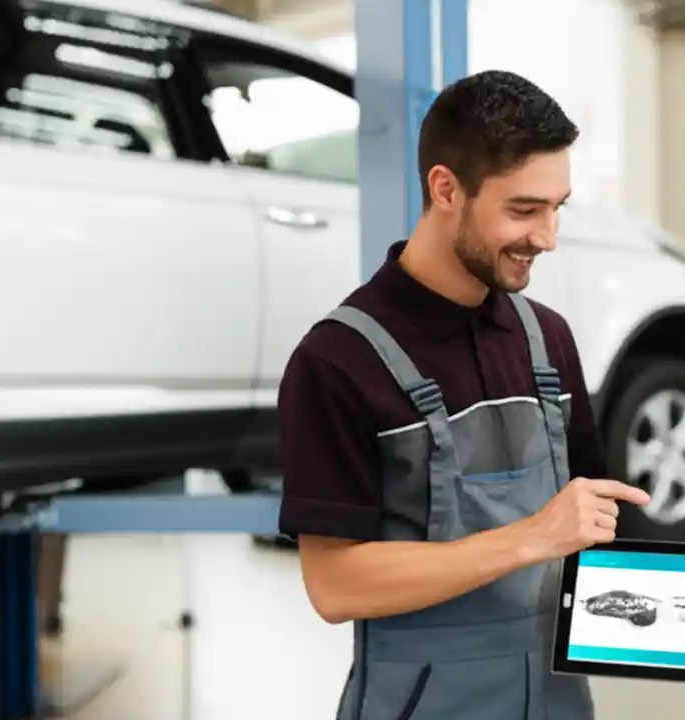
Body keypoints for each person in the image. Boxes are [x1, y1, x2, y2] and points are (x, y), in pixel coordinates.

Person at [277, 70, 650, 720]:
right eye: (524, 210)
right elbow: (333, 585)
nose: (548, 236)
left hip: (559, 703)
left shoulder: (549, 341)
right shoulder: (339, 361)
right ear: (445, 188)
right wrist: (530, 538)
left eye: (557, 206)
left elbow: (589, 534)